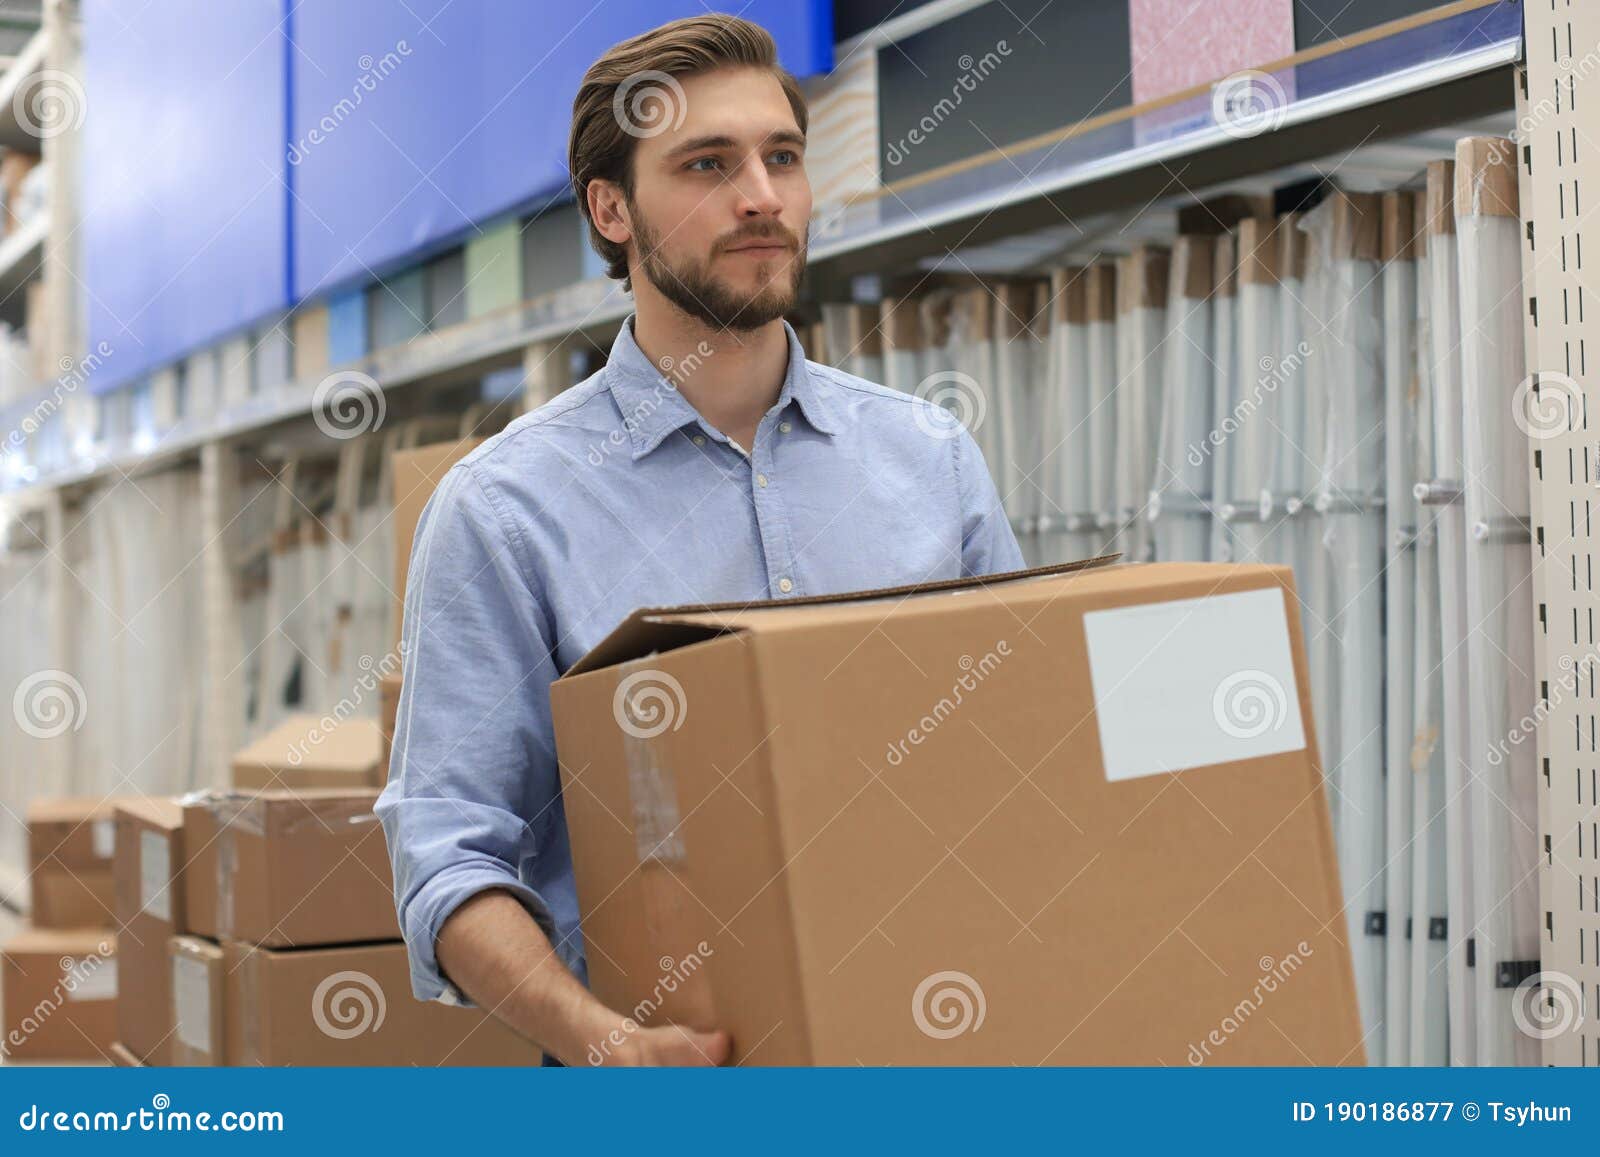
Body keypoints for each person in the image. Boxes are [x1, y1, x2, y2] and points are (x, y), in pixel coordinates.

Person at [375, 13, 1023, 1067]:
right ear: (612, 208)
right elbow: (446, 856)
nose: (762, 195)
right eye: (707, 164)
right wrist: (597, 1038)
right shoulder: (505, 506)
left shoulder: (929, 459)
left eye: (782, 157)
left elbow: (1020, 757)